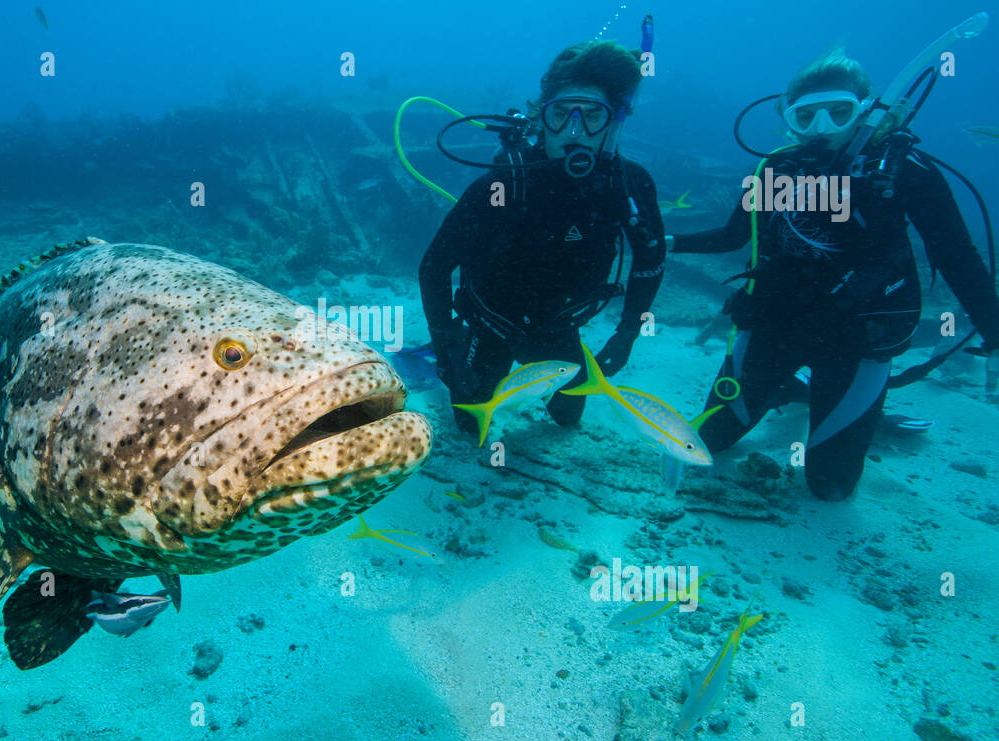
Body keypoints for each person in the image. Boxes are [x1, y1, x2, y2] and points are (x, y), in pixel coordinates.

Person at [669, 49, 999, 500]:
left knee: (831, 486)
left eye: (838, 112)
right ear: (790, 119)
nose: (822, 128)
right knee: (706, 443)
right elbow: (733, 235)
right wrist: (666, 241)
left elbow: (958, 257)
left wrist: (993, 328)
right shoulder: (776, 168)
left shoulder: (904, 171)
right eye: (807, 116)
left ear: (865, 110)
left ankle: (818, 393)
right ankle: (798, 387)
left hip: (858, 341)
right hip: (774, 327)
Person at [419, 40, 666, 435]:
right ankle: (463, 345)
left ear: (614, 123)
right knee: (470, 423)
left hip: (558, 326)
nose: (574, 131)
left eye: (591, 116)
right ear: (540, 119)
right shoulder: (502, 184)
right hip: (492, 323)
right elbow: (434, 267)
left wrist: (626, 334)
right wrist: (445, 341)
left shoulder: (630, 184)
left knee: (568, 420)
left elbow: (651, 261)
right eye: (562, 114)